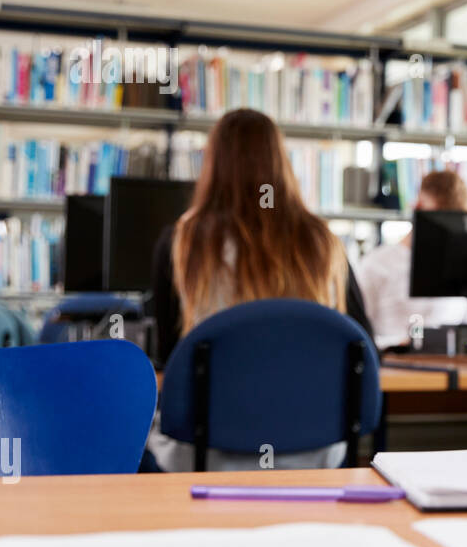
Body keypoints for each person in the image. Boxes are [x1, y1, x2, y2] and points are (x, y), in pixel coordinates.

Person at [146, 108, 374, 471]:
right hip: (315, 451)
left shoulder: (182, 242)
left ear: (213, 165)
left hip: (207, 451)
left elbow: (171, 357)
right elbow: (362, 344)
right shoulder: (323, 241)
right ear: (281, 161)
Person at [355, 169, 467, 351]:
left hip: (449, 368)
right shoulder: (376, 264)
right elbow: (355, 333)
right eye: (438, 219)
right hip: (392, 367)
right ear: (417, 209)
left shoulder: (463, 268)